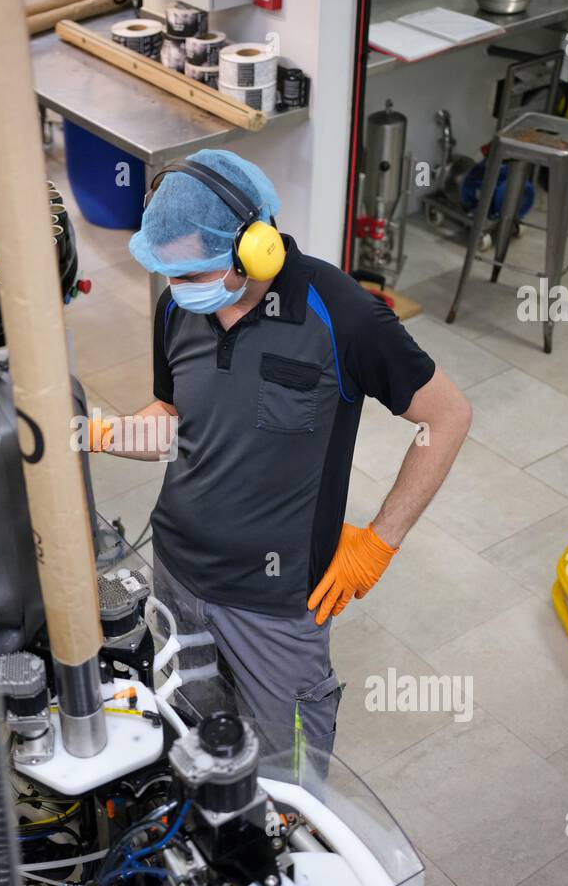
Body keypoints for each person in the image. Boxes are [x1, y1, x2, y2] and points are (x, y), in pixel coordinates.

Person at [91, 149, 472, 758]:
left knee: (289, 785)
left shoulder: (342, 314)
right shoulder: (176, 307)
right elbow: (173, 419)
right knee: (193, 748)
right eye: (170, 274)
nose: (178, 288)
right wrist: (100, 434)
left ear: (254, 250)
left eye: (193, 274)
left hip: (276, 607)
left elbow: (447, 417)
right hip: (176, 575)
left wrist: (380, 540)